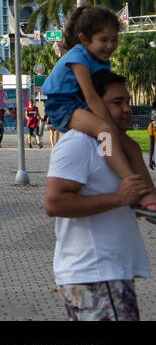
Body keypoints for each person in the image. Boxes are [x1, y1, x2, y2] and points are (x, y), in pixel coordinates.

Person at [45, 69, 151, 320]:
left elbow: (145, 201)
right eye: (117, 102)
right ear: (92, 106)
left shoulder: (117, 146)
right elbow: (54, 202)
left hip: (110, 273)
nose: (127, 109)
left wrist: (133, 153)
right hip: (94, 275)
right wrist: (117, 198)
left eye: (127, 102)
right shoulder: (79, 143)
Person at [42, 5, 156, 211]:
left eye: (114, 39)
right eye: (103, 40)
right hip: (63, 105)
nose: (110, 46)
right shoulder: (78, 57)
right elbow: (92, 97)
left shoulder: (103, 62)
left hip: (81, 104)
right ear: (85, 39)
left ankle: (150, 198)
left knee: (132, 146)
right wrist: (110, 125)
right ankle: (131, 185)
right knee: (105, 133)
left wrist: (119, 133)